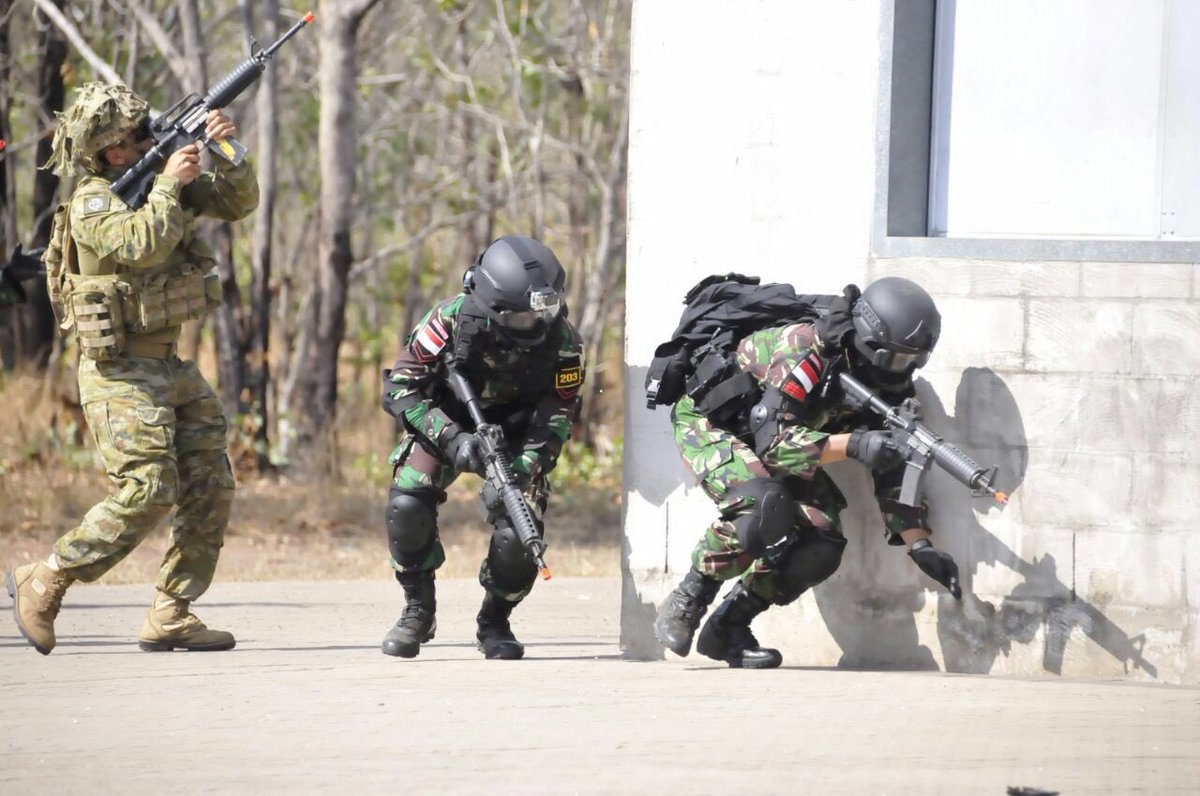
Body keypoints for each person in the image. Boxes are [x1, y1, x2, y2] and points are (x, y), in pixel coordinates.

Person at [5, 82, 258, 655]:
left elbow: (237, 204)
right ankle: (46, 578)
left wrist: (227, 154)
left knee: (210, 480)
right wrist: (169, 181)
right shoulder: (95, 201)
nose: (149, 140)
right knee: (147, 488)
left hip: (169, 363)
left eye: (149, 131)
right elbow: (141, 245)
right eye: (136, 137)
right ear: (112, 152)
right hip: (117, 371)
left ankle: (172, 610)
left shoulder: (159, 179)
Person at [653, 276, 962, 669]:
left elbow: (893, 470)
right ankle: (687, 600)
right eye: (893, 358)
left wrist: (920, 545)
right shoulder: (804, 349)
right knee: (762, 506)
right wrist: (854, 444)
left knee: (821, 543)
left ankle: (729, 627)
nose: (901, 370)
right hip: (714, 423)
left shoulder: (893, 388)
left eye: (911, 360)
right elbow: (776, 448)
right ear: (868, 340)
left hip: (779, 436)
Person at [380, 235, 585, 660]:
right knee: (408, 501)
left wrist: (524, 466)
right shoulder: (452, 319)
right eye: (522, 317)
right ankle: (418, 609)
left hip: (516, 437)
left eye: (539, 314)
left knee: (519, 532)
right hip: (447, 424)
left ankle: (495, 622)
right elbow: (400, 388)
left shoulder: (564, 342)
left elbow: (558, 414)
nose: (533, 323)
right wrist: (453, 440)